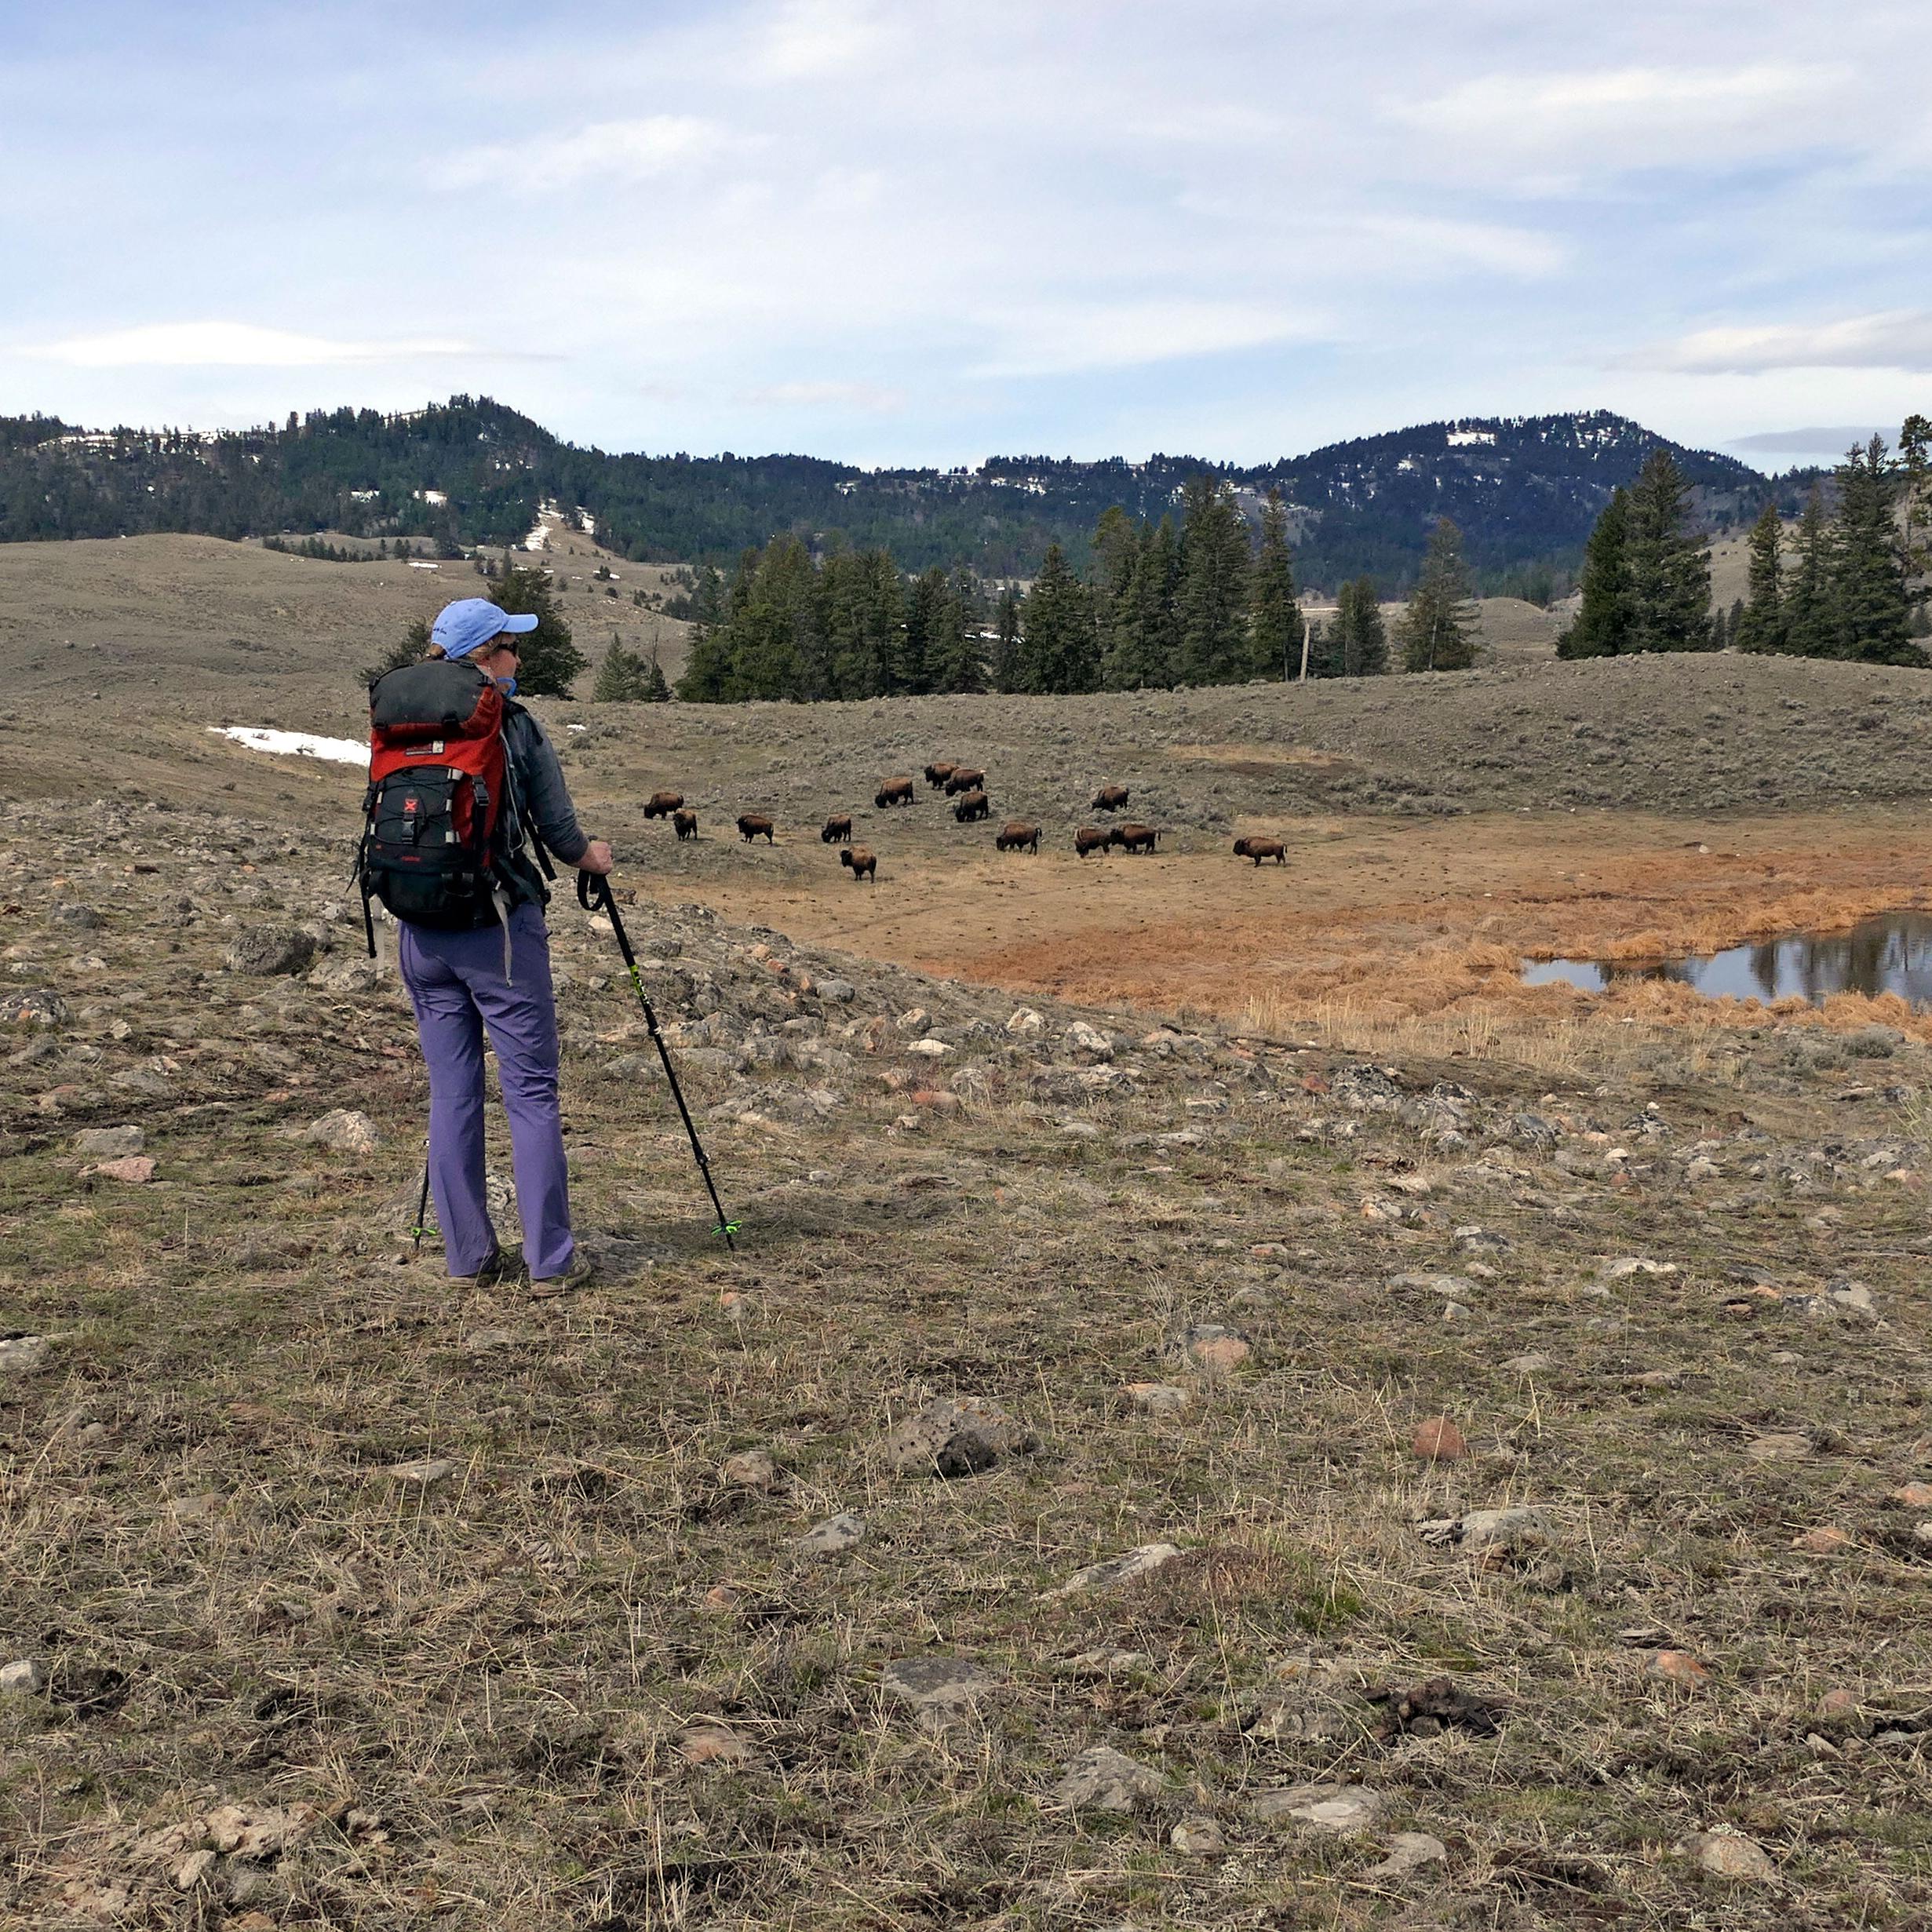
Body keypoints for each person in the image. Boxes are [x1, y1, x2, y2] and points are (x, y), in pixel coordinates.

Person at [396, 597, 612, 1296]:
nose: (520, 658)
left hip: (420, 931)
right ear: (487, 656)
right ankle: (549, 1261)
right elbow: (561, 834)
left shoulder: (401, 722)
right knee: (530, 1091)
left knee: (453, 1091)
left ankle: (467, 1257)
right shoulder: (512, 724)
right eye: (511, 647)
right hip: (498, 930)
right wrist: (594, 860)